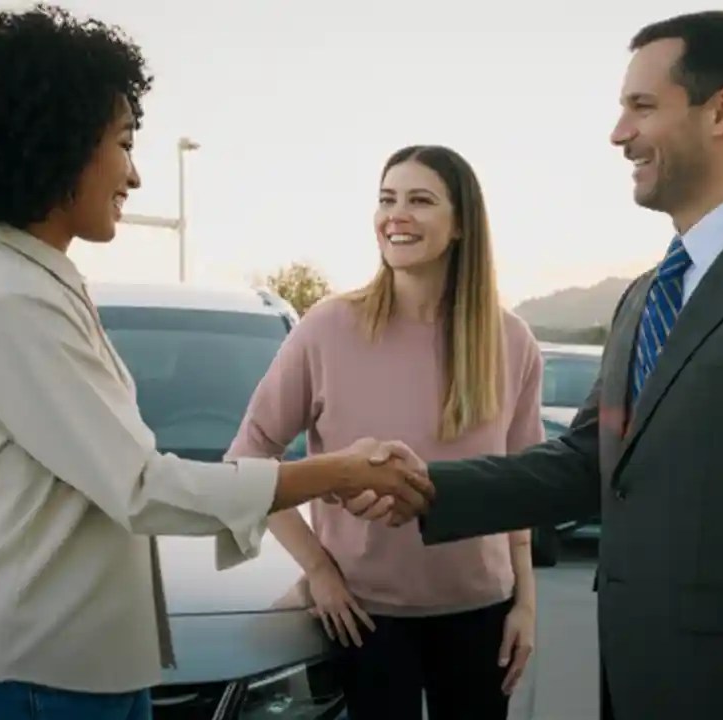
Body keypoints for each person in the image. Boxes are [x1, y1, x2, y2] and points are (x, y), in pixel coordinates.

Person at [378, 11, 723, 720]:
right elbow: (586, 463)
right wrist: (425, 487)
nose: (618, 133)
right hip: (637, 686)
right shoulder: (644, 295)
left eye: (641, 106)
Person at [0, 6, 431, 719]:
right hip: (41, 683)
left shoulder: (30, 282)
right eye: (124, 143)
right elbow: (141, 487)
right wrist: (333, 472)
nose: (136, 175)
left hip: (78, 673)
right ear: (59, 144)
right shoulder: (9, 300)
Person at [225, 145, 545, 720]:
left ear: (461, 224)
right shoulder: (327, 327)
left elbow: (518, 487)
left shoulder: (511, 340)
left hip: (482, 615)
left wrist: (526, 602)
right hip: (364, 618)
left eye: (420, 200)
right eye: (386, 199)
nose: (396, 214)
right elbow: (248, 457)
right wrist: (319, 571)